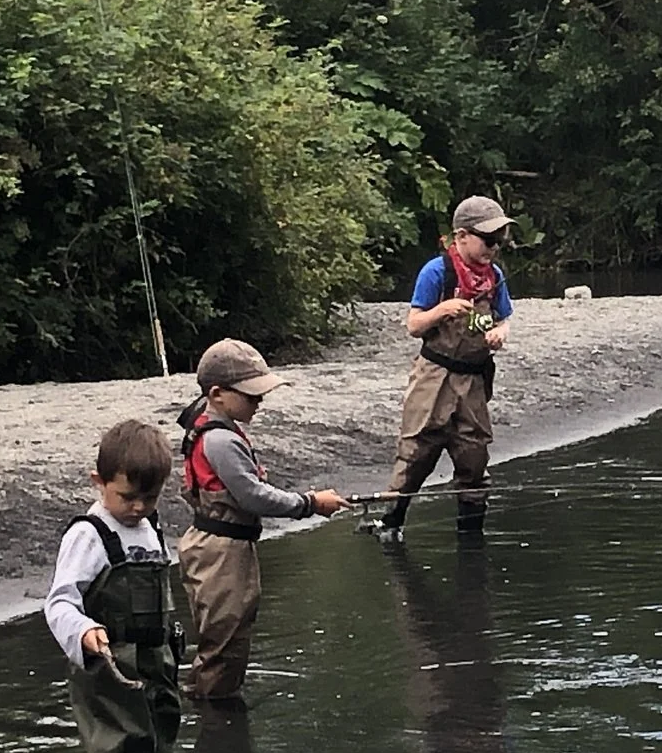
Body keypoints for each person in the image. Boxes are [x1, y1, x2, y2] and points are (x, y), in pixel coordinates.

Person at [174, 338, 347, 701]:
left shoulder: (215, 427)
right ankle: (213, 716)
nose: (259, 402)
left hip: (222, 546)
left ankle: (209, 703)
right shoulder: (220, 440)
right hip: (219, 552)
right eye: (251, 396)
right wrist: (310, 503)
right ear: (218, 394)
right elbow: (252, 496)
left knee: (228, 636)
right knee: (224, 640)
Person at [43, 419, 186, 753]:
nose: (138, 507)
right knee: (118, 752)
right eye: (127, 497)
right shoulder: (89, 535)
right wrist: (83, 631)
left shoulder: (149, 526)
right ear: (98, 481)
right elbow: (59, 602)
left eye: (150, 498)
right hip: (110, 667)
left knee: (159, 736)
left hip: (157, 661)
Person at [376, 195, 514, 543]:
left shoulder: (494, 274)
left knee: (474, 456)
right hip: (433, 376)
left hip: (475, 380)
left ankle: (471, 536)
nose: (493, 247)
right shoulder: (436, 272)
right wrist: (442, 310)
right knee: (417, 451)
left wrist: (498, 333)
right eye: (488, 239)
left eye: (498, 240)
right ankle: (390, 523)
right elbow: (414, 325)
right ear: (462, 236)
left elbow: (505, 317)